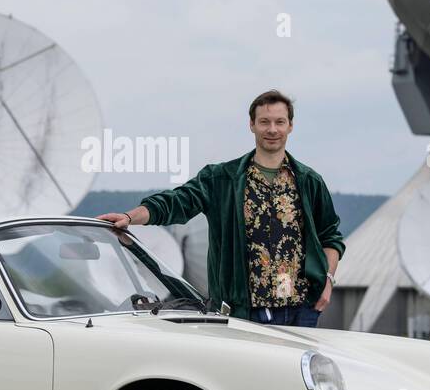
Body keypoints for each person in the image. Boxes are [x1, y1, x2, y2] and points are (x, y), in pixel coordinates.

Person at [97, 89, 343, 327]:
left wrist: (327, 282)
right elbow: (176, 201)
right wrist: (131, 217)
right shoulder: (221, 179)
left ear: (290, 126)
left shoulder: (308, 181)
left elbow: (330, 236)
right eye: (264, 121)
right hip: (245, 313)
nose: (272, 129)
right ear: (252, 124)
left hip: (300, 309)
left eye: (280, 122)